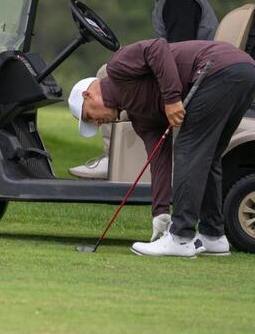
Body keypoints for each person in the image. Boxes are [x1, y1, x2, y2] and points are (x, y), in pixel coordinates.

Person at [70, 0, 217, 211]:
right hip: (197, 75)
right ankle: (112, 155)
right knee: (116, 72)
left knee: (107, 73)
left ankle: (109, 157)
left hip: (198, 81)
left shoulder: (178, 1)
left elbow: (178, 58)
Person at [69, 38, 255, 257]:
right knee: (208, 156)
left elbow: (157, 47)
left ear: (88, 95)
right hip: (243, 71)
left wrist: (171, 98)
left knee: (189, 151)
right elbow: (159, 159)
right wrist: (160, 212)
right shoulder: (141, 119)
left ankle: (181, 237)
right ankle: (213, 235)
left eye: (90, 117)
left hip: (217, 69)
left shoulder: (117, 67)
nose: (98, 123)